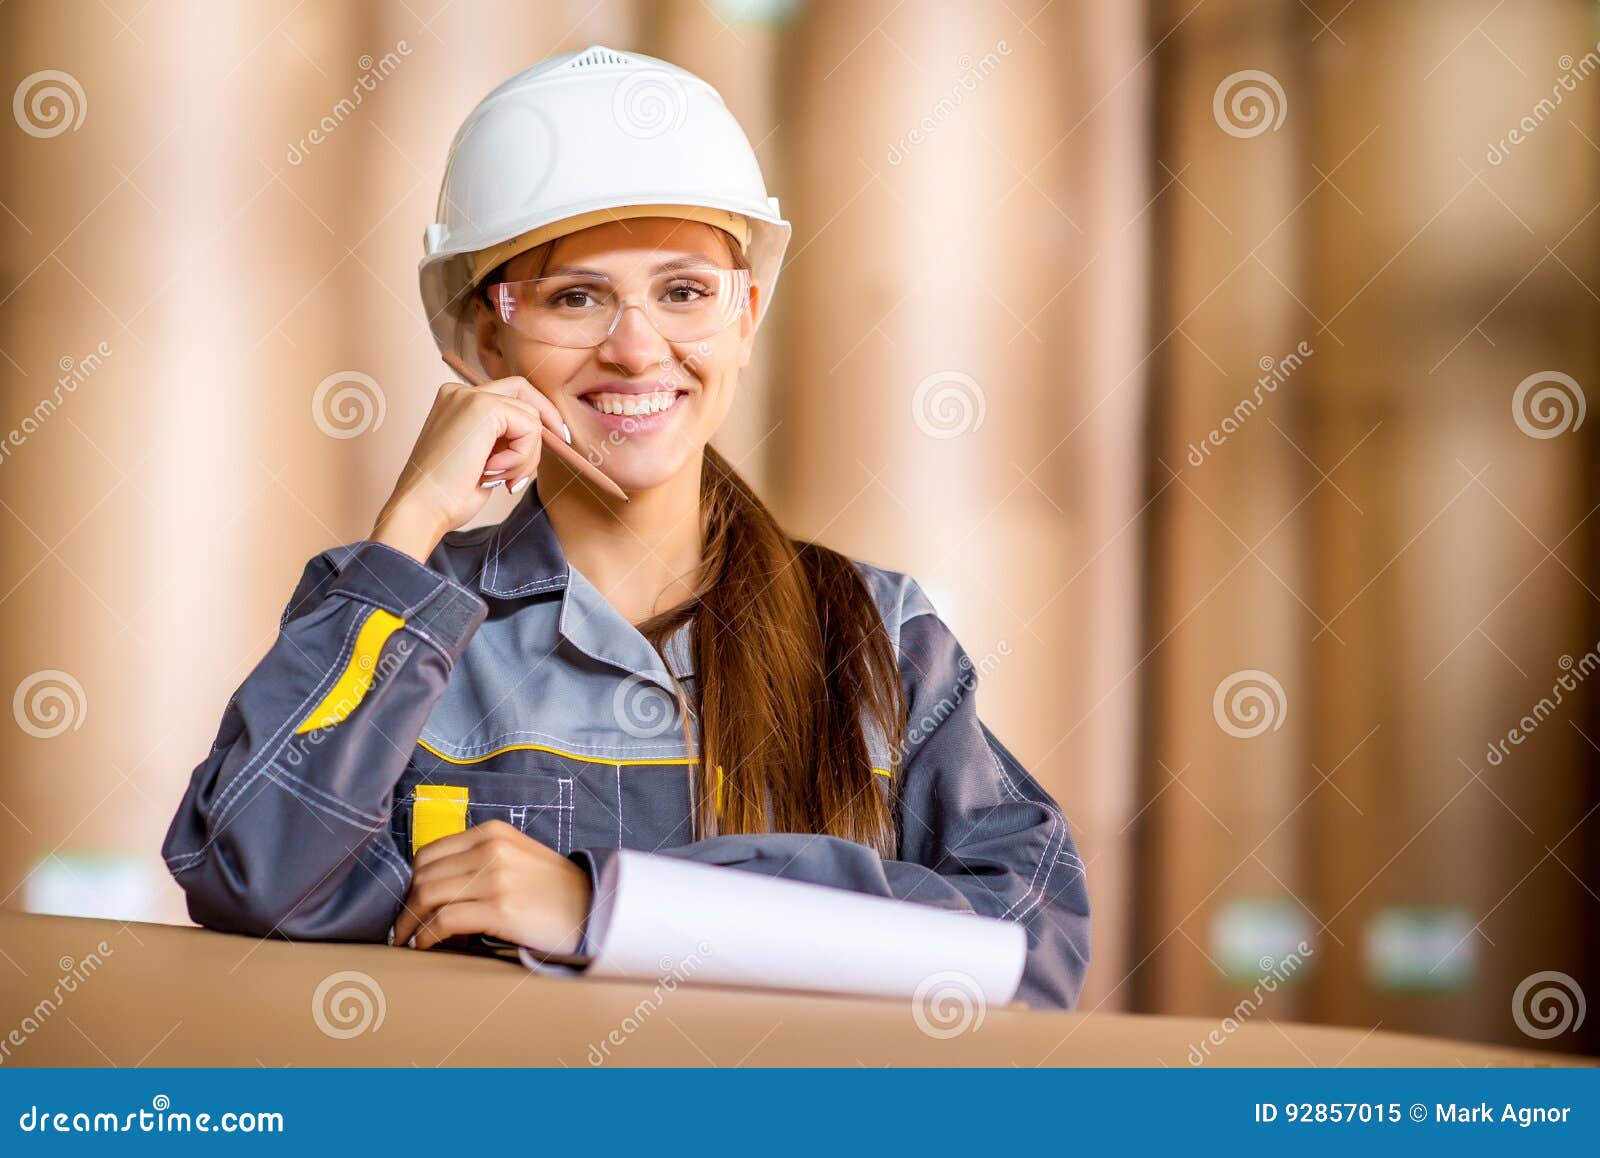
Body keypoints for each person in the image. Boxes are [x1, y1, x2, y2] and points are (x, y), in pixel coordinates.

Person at [161, 44, 1091, 1010]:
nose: (638, 348)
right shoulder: (392, 616)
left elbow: (1028, 949)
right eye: (576, 297)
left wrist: (607, 905)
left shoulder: (877, 637)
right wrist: (414, 518)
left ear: (744, 317)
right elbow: (247, 874)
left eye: (684, 292)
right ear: (487, 340)